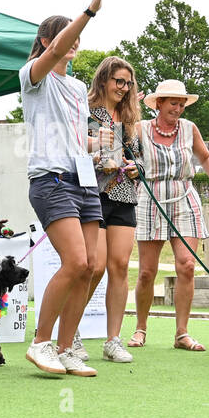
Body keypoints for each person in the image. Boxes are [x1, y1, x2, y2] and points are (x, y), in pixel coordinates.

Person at [20, 0, 111, 377]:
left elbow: (75, 141)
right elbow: (57, 46)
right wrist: (89, 10)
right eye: (65, 37)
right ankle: (40, 343)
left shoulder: (76, 87)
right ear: (45, 41)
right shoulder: (32, 77)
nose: (74, 42)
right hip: (50, 181)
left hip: (83, 180)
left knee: (92, 266)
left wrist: (98, 143)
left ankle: (65, 347)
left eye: (77, 35)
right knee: (74, 261)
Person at [132, 79, 209, 351]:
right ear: (158, 103)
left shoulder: (189, 129)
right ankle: (140, 329)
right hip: (150, 198)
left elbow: (206, 157)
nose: (179, 108)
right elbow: (117, 142)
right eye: (173, 102)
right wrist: (130, 112)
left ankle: (182, 334)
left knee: (186, 265)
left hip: (184, 196)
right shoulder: (140, 129)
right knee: (147, 272)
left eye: (182, 103)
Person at [84, 56, 142, 363]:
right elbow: (76, 149)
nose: (123, 88)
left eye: (128, 83)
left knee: (119, 266)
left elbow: (141, 159)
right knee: (93, 267)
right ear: (104, 80)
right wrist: (98, 157)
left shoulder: (130, 118)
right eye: (118, 81)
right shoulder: (86, 111)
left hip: (124, 195)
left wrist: (136, 168)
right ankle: (71, 334)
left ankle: (113, 340)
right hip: (93, 193)